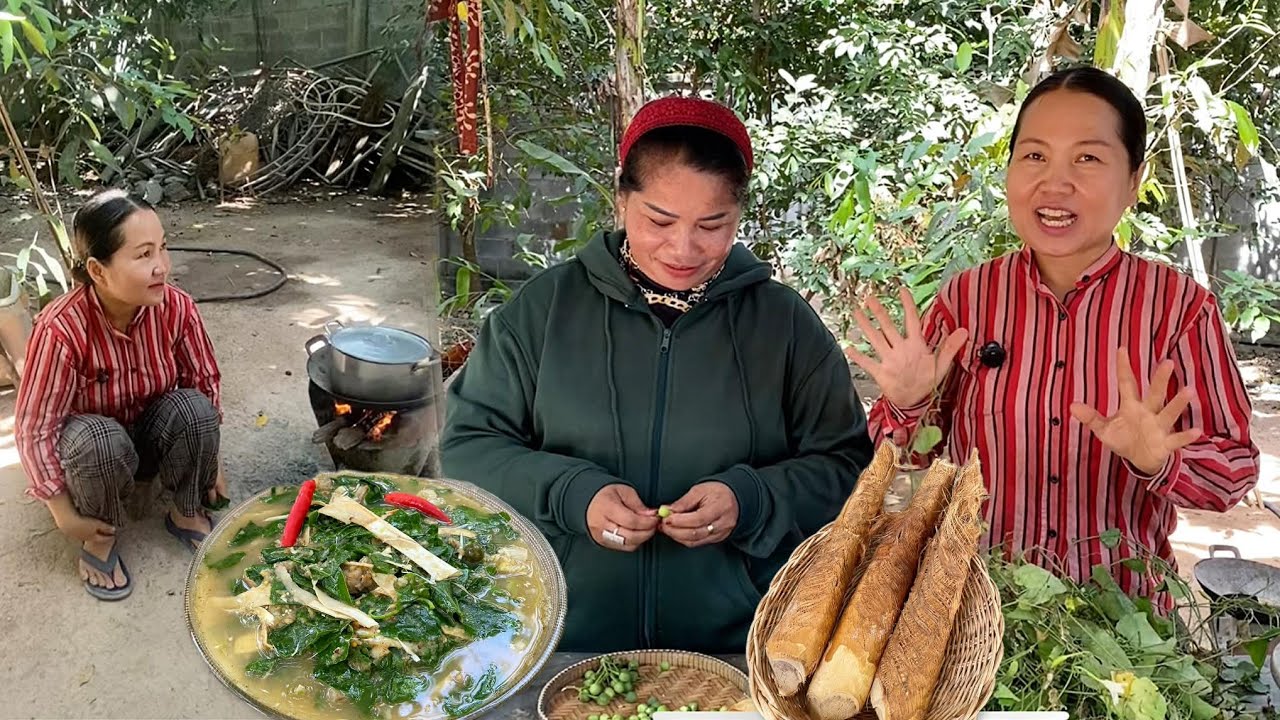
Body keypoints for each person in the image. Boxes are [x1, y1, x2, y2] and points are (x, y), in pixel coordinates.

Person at [442, 96, 874, 652]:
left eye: (712, 225)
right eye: (659, 220)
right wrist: (573, 494)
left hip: (741, 646)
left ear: (738, 216)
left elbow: (845, 466)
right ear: (622, 199)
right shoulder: (543, 311)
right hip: (562, 636)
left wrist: (751, 499)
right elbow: (468, 448)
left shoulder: (784, 324)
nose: (683, 248)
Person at [848, 67, 1260, 601]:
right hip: (975, 614)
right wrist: (906, 405)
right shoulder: (967, 301)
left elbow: (1234, 472)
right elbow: (901, 464)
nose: (1055, 182)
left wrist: (1160, 462)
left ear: (1134, 180)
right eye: (1035, 156)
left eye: (1087, 158)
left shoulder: (1180, 310)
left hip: (1124, 623)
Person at [15, 190, 226, 601]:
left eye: (163, 248)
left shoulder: (177, 308)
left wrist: (212, 463)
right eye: (143, 254)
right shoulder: (60, 329)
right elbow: (35, 429)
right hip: (95, 455)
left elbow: (204, 382)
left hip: (152, 434)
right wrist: (62, 516)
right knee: (98, 439)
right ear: (97, 269)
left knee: (195, 409)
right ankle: (100, 535)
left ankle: (185, 511)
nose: (162, 267)